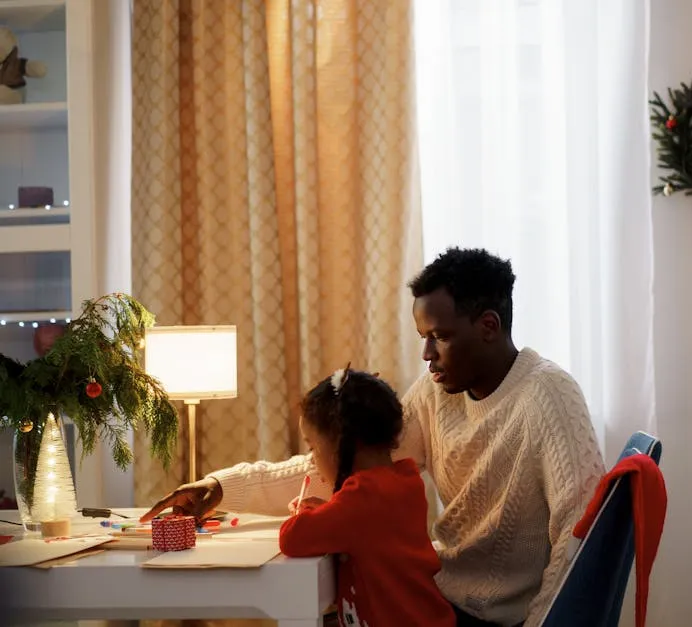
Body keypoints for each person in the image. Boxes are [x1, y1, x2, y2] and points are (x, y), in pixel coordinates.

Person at [142, 248, 605, 627]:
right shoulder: (436, 392)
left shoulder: (548, 395)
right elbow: (344, 463)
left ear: (488, 326)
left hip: (499, 620)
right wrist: (223, 487)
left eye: (439, 337)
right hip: (443, 602)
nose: (426, 355)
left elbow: (581, 533)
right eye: (423, 336)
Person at [279, 366, 456, 627]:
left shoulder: (360, 497)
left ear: (342, 443)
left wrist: (304, 515)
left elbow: (292, 538)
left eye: (313, 447)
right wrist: (330, 509)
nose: (313, 460)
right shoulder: (404, 480)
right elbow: (368, 527)